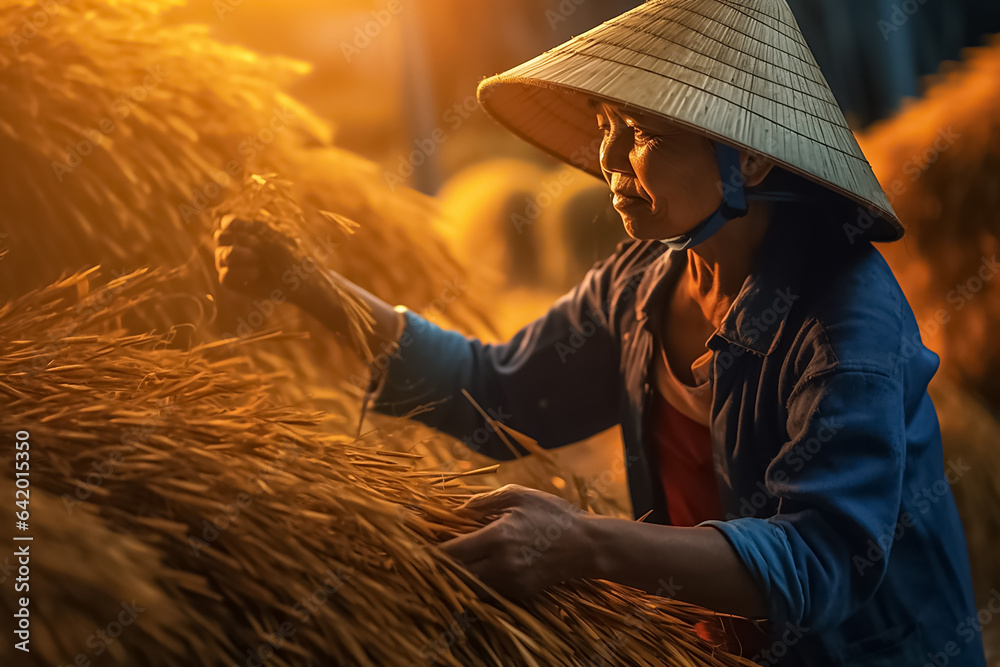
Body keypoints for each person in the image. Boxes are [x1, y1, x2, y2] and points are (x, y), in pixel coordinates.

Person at [214, 1, 985, 664]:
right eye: (607, 125)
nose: (608, 157)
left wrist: (585, 544)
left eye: (643, 132)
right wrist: (313, 286)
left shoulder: (845, 321)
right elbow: (497, 391)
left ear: (745, 159)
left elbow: (822, 556)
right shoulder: (642, 283)